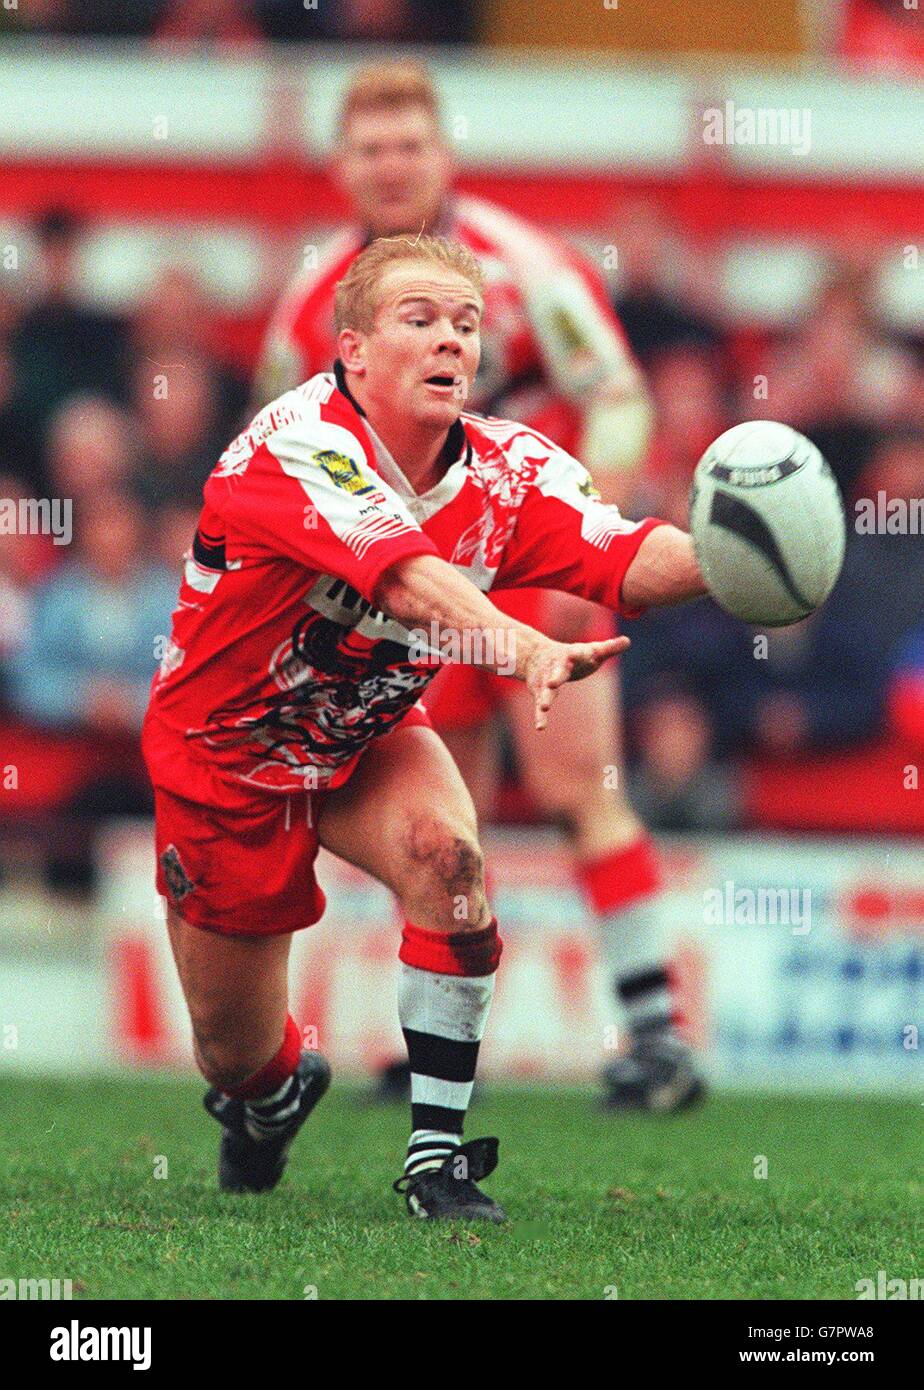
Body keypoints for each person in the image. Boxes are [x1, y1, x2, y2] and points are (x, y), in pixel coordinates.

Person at [142, 236, 706, 1220]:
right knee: (234, 1050)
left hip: (364, 743)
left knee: (450, 860)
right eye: (420, 319)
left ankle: (436, 1161)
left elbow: (621, 555)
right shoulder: (294, 443)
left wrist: (749, 564)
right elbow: (405, 575)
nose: (452, 341)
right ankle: (273, 1099)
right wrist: (518, 644)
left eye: (466, 323)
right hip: (227, 762)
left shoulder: (507, 466)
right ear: (354, 350)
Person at [257, 59, 704, 1112]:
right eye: (373, 147)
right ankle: (437, 1049)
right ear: (341, 166)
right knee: (441, 824)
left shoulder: (521, 264)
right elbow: (279, 451)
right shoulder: (312, 298)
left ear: (444, 155)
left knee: (576, 789)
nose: (393, 163)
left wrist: (587, 536)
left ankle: (659, 1038)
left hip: (539, 563)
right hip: (414, 588)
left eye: (410, 144)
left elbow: (619, 394)